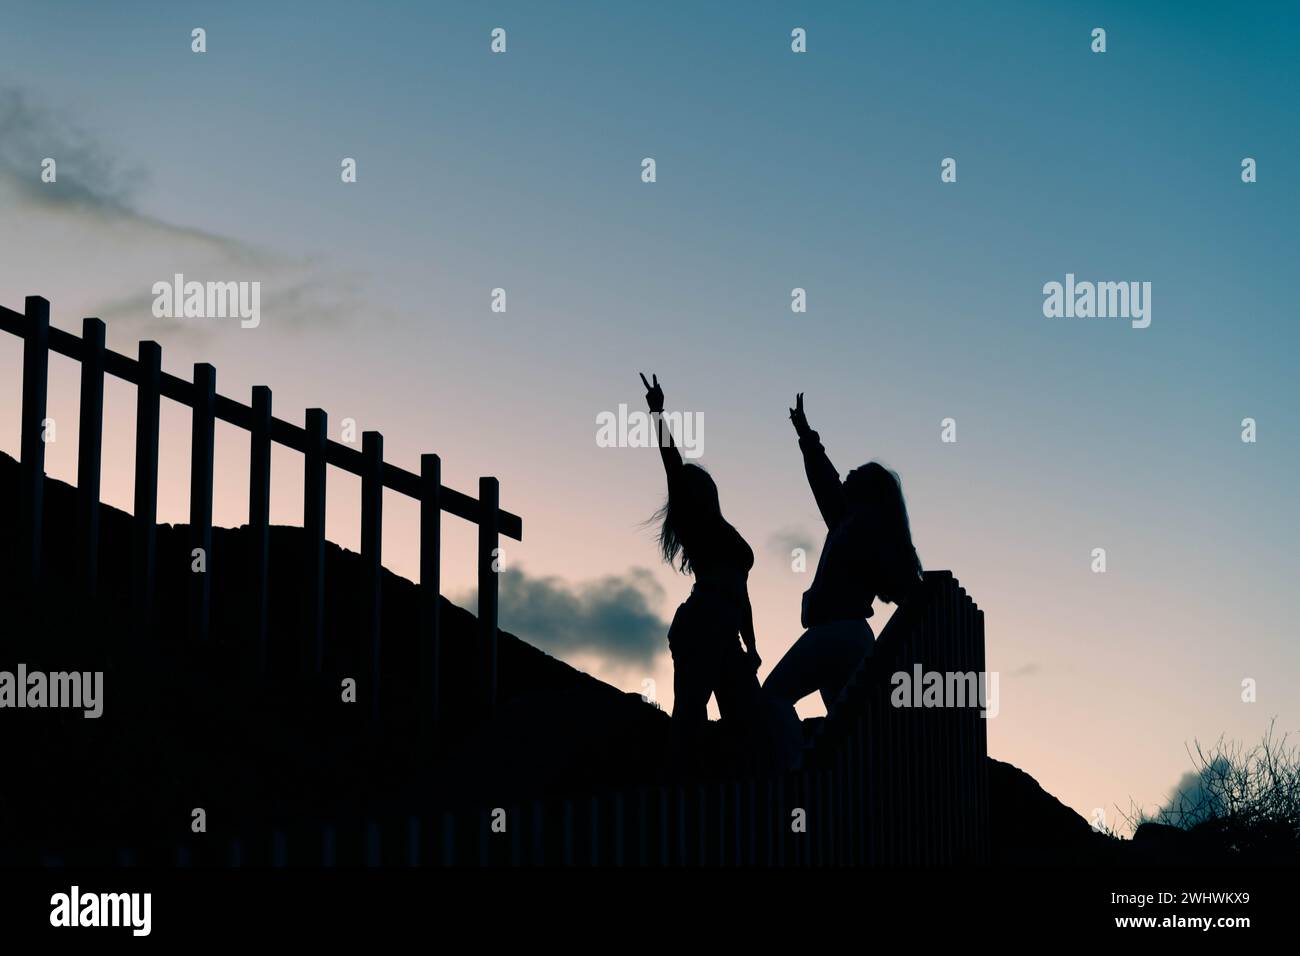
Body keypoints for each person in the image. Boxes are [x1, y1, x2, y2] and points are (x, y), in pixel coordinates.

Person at [763, 393, 923, 719]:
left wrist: (807, 436)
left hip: (836, 633)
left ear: (871, 489)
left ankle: (789, 765)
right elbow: (825, 481)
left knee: (771, 699)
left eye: (859, 472)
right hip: (850, 637)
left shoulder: (860, 522)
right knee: (847, 731)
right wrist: (805, 434)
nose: (849, 472)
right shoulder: (855, 521)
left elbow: (827, 482)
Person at [640, 373, 763, 773]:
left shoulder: (721, 529)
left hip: (724, 627)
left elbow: (742, 595)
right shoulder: (697, 527)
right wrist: (657, 412)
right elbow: (672, 464)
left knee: (746, 722)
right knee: (692, 713)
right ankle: (677, 789)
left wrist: (752, 644)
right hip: (704, 620)